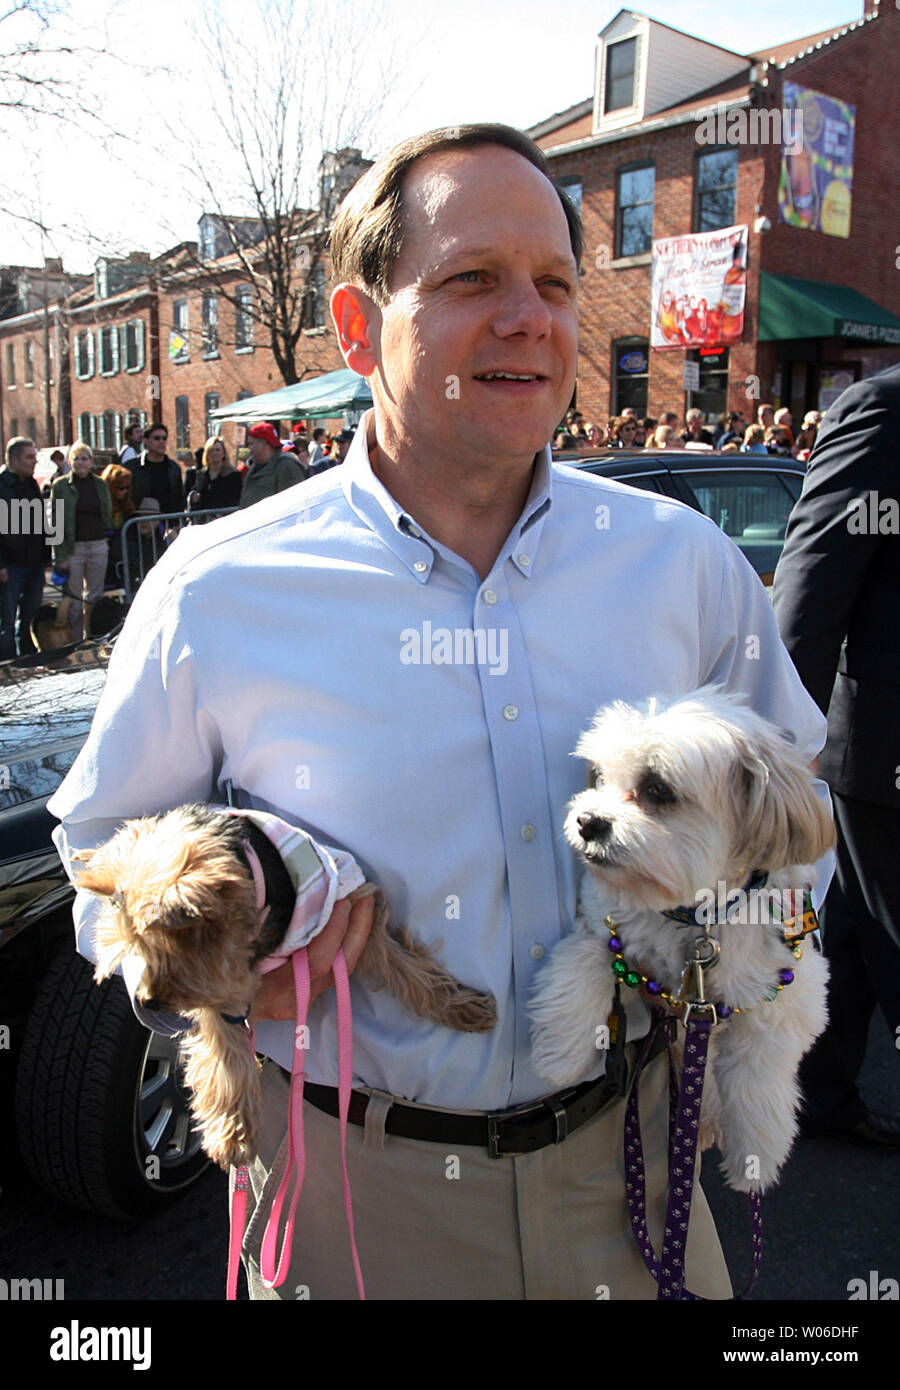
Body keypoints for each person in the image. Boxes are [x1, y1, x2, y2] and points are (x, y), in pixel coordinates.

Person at [48, 123, 831, 1302]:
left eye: (555, 283)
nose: (529, 317)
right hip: (348, 1202)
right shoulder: (217, 587)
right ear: (359, 326)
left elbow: (798, 820)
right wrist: (211, 983)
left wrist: (742, 977)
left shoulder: (685, 565)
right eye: (473, 278)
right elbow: (96, 869)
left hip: (629, 1176)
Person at [773, 359, 900, 1151]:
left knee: (853, 932)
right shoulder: (887, 409)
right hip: (888, 754)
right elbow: (810, 594)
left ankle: (820, 1092)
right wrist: (784, 757)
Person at [50, 441, 113, 643]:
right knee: (74, 601)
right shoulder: (60, 486)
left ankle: (92, 641)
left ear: (91, 462)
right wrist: (59, 556)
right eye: (76, 458)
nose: (80, 462)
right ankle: (75, 643)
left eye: (84, 458)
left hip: (97, 544)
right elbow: (55, 522)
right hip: (73, 548)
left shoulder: (100, 484)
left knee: (94, 598)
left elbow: (107, 513)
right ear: (70, 461)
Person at [0, 436, 45, 658]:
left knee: (30, 615)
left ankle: (28, 658)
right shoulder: (1, 486)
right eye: (30, 457)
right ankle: (6, 664)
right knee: (6, 618)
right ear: (15, 459)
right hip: (10, 565)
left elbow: (40, 522)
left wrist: (47, 557)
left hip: (33, 563)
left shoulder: (31, 484)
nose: (34, 462)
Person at [239, 422, 305, 506]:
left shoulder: (287, 466)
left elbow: (294, 503)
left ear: (263, 444)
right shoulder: (254, 468)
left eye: (252, 444)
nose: (249, 448)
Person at [132, 424, 184, 516]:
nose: (161, 441)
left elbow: (179, 498)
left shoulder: (174, 468)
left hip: (169, 522)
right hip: (142, 523)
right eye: (157, 438)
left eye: (164, 438)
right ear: (146, 441)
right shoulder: (133, 467)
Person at [100, 463, 136, 588]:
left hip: (120, 555)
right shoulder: (101, 504)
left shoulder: (127, 506)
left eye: (127, 488)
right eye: (121, 488)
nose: (124, 492)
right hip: (103, 555)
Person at [187, 436, 244, 514]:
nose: (214, 453)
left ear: (223, 453)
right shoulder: (200, 475)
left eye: (218, 450)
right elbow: (196, 500)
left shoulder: (233, 475)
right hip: (204, 521)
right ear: (207, 454)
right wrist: (195, 500)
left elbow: (236, 501)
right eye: (211, 450)